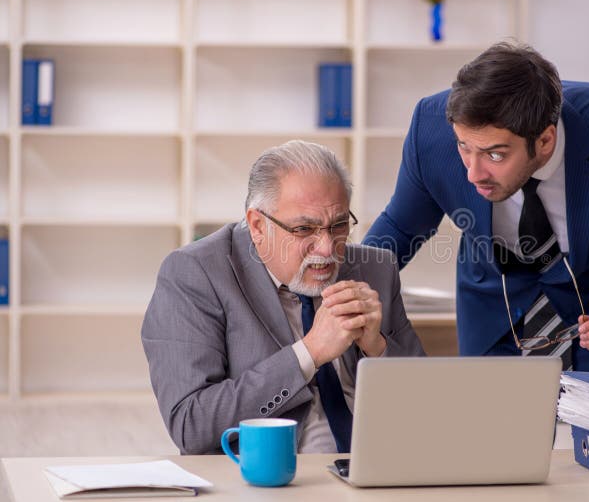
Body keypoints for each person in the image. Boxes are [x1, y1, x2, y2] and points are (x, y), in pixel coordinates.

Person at [364, 40, 589, 374]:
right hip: (493, 319)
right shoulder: (430, 130)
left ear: (545, 140)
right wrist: (344, 289)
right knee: (489, 434)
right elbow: (400, 229)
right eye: (464, 148)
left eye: (495, 154)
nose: (472, 173)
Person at [142, 140, 425, 455]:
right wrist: (310, 352)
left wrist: (379, 348)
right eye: (305, 229)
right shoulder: (195, 273)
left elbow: (427, 411)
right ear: (257, 225)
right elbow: (191, 425)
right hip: (276, 478)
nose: (327, 249)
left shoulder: (376, 269)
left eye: (339, 225)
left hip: (384, 466)